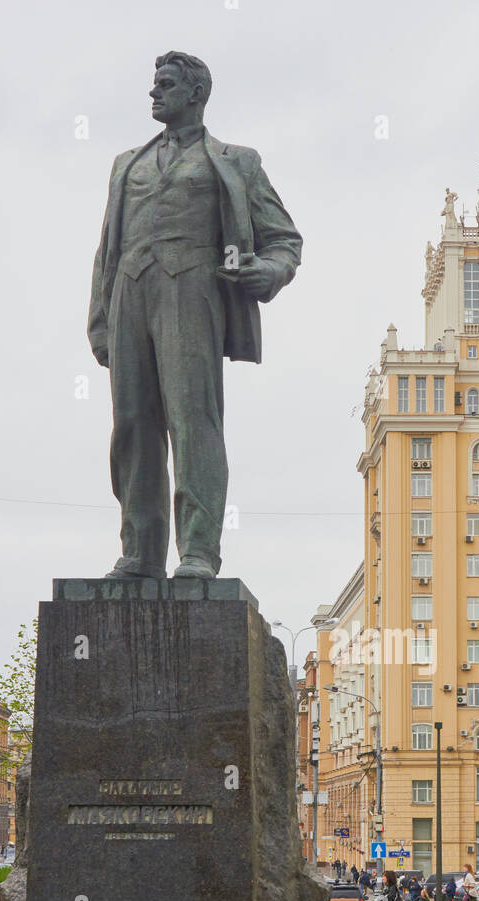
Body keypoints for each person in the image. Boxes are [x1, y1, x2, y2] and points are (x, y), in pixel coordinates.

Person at [88, 51, 302, 580]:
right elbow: (106, 252)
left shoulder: (235, 161)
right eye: (154, 83)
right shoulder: (125, 165)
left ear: (195, 93)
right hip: (129, 298)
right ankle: (140, 553)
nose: (154, 93)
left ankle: (199, 551)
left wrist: (268, 271)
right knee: (132, 425)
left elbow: (283, 239)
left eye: (165, 84)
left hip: (193, 294)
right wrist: (99, 318)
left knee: (193, 421)